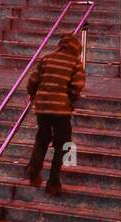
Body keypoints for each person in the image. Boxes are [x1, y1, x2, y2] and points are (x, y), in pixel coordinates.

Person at [25, 32, 86, 197]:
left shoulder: (47, 58)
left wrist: (33, 93)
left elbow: (33, 80)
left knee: (42, 138)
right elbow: (76, 86)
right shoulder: (75, 63)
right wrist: (71, 100)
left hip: (43, 106)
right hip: (61, 109)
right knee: (63, 144)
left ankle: (34, 168)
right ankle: (53, 182)